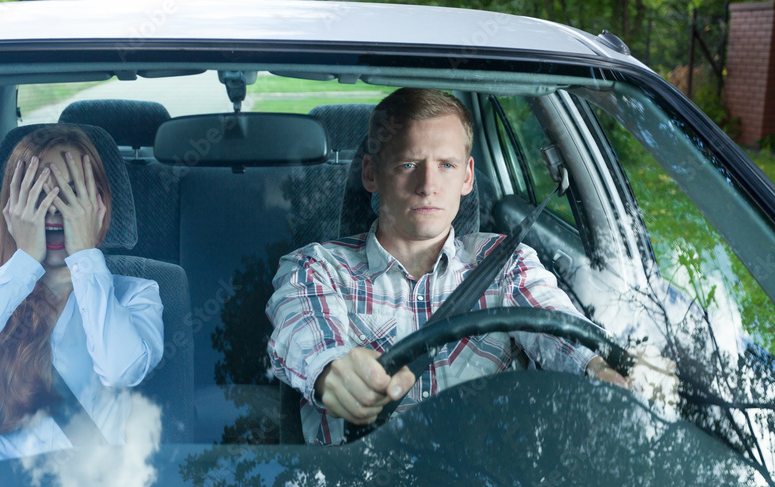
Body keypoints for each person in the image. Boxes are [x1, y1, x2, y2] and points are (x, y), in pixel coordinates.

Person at [266, 88, 628, 445]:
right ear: (371, 174)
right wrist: (335, 373)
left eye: (446, 165)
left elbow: (560, 328)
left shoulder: (506, 263)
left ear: (467, 176)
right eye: (408, 164)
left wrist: (601, 369)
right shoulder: (316, 268)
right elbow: (309, 337)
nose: (428, 185)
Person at [0, 125, 165, 462]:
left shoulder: (138, 294)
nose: (53, 209)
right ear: (11, 209)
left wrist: (85, 260)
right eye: (37, 195)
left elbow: (121, 369)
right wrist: (22, 266)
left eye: (71, 194)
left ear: (100, 207)